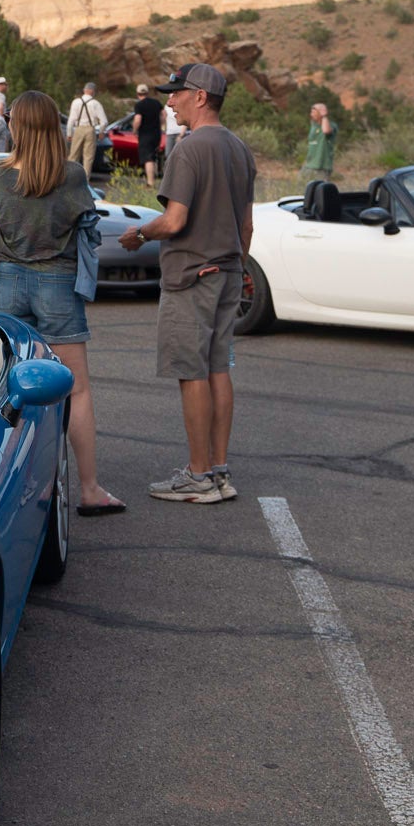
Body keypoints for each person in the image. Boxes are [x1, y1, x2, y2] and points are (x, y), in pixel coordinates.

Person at [119, 63, 256, 504]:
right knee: (219, 369)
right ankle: (218, 471)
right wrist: (233, 262)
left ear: (200, 96)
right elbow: (247, 227)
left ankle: (198, 476)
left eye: (177, 93)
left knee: (191, 373)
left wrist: (140, 233)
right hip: (230, 272)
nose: (170, 101)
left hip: (193, 277)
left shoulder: (189, 149)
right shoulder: (240, 148)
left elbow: (175, 220)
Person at [0, 90, 124, 515]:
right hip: (59, 285)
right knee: (76, 389)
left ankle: (7, 492)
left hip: (8, 282)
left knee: (10, 390)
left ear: (15, 126)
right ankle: (89, 489)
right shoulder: (73, 176)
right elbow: (88, 225)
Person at [65, 81, 107, 167]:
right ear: (92, 91)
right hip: (90, 130)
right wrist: (101, 132)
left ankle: (71, 178)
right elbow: (104, 121)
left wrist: (69, 133)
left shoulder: (76, 102)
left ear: (84, 90)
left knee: (73, 156)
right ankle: (86, 178)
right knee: (88, 158)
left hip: (78, 129)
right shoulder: (96, 103)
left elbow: (71, 120)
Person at [131, 84, 164, 178]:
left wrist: (134, 130)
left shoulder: (139, 105)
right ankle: (154, 177)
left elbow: (138, 119)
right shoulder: (156, 103)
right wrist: (160, 125)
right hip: (156, 134)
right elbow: (163, 114)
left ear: (137, 94)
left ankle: (150, 182)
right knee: (153, 156)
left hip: (145, 134)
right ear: (147, 93)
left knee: (148, 158)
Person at [299, 101, 338, 181]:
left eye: (314, 112)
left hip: (322, 166)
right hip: (309, 165)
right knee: (301, 186)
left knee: (319, 190)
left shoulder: (331, 125)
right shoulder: (314, 126)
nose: (311, 114)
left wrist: (324, 116)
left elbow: (326, 131)